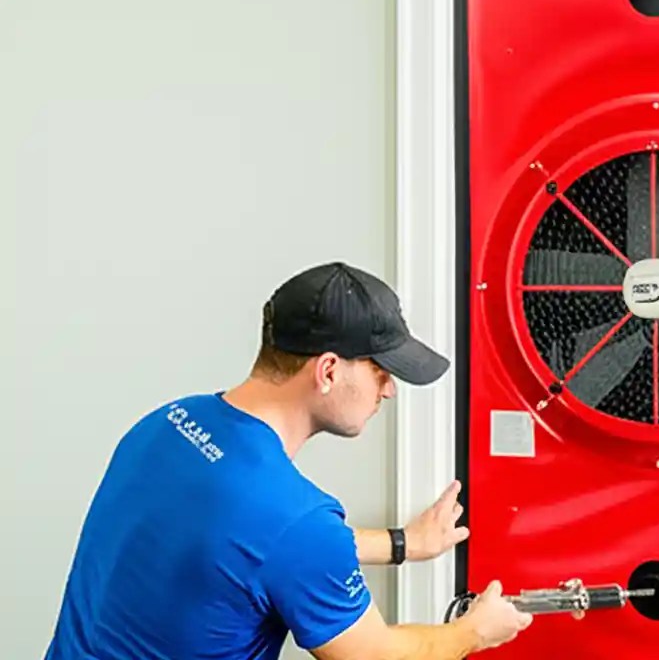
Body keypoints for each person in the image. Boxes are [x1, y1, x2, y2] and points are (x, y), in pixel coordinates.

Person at [46, 261, 532, 659]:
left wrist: (404, 543)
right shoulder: (296, 519)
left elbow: (243, 545)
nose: (389, 390)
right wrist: (476, 630)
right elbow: (376, 655)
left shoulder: (167, 423)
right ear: (327, 370)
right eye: (382, 371)